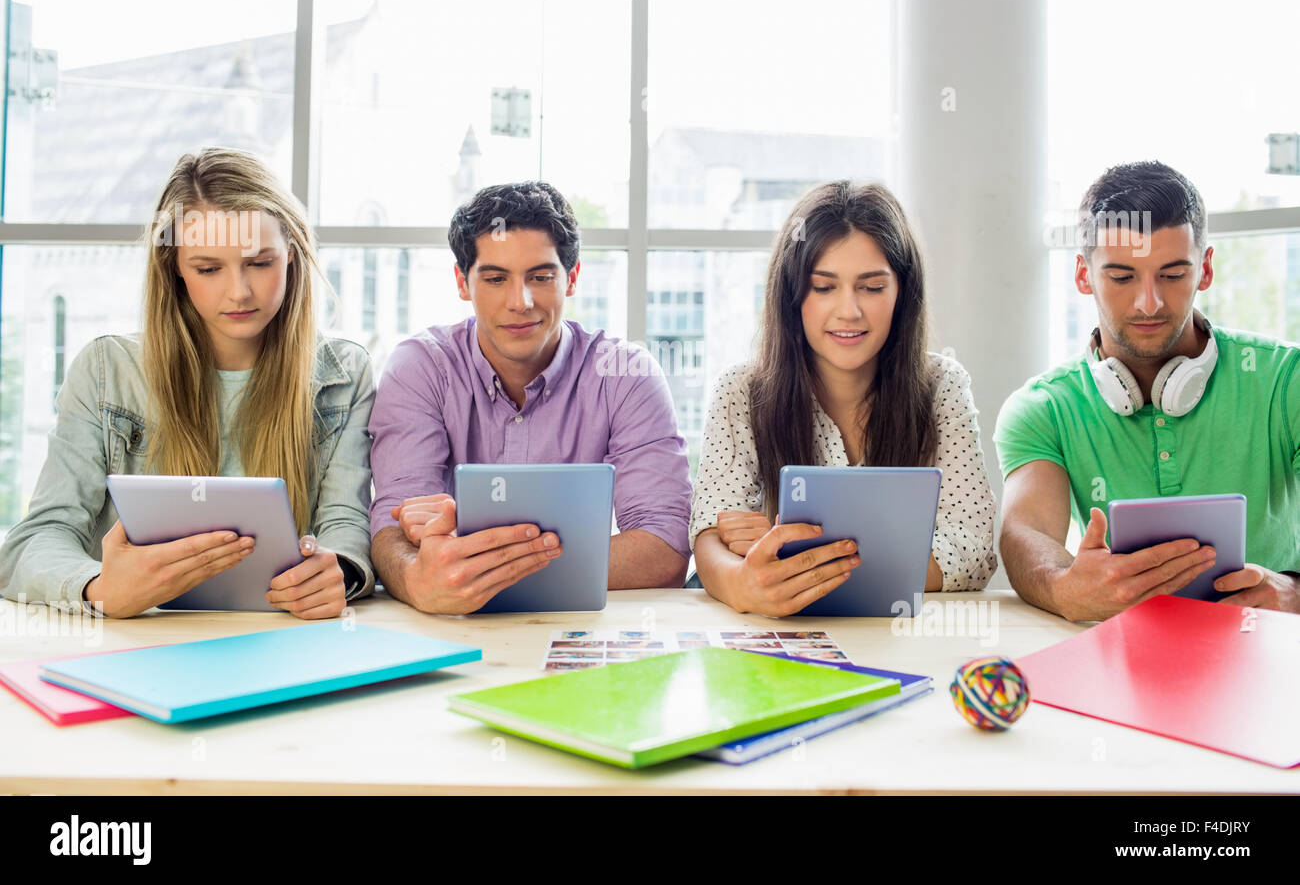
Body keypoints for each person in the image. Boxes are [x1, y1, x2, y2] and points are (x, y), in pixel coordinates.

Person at [0, 148, 376, 618]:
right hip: (138, 644)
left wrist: (338, 570)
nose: (239, 291)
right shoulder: (107, 371)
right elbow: (34, 541)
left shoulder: (344, 374)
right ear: (175, 268)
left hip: (284, 639)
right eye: (209, 269)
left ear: (293, 255)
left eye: (259, 263)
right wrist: (98, 588)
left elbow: (346, 522)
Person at [995, 160, 1300, 620]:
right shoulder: (1043, 408)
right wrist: (1063, 588)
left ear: (1206, 270)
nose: (1148, 302)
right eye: (1121, 277)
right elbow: (1026, 531)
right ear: (1083, 275)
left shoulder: (1285, 380)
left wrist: (1294, 594)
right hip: (1120, 655)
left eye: (1173, 274)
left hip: (1270, 652)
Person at [369, 181, 691, 614]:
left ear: (571, 279)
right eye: (496, 278)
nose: (519, 302)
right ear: (463, 283)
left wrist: (477, 569)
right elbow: (393, 529)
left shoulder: (626, 374)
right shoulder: (421, 367)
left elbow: (664, 549)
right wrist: (417, 578)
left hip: (581, 628)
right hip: (453, 627)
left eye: (540, 277)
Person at [690, 181, 999, 617]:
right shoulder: (741, 390)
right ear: (792, 295)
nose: (849, 311)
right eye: (823, 287)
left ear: (902, 293)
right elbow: (712, 537)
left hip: (900, 638)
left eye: (872, 288)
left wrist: (797, 561)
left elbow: (972, 550)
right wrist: (743, 586)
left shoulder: (941, 385)